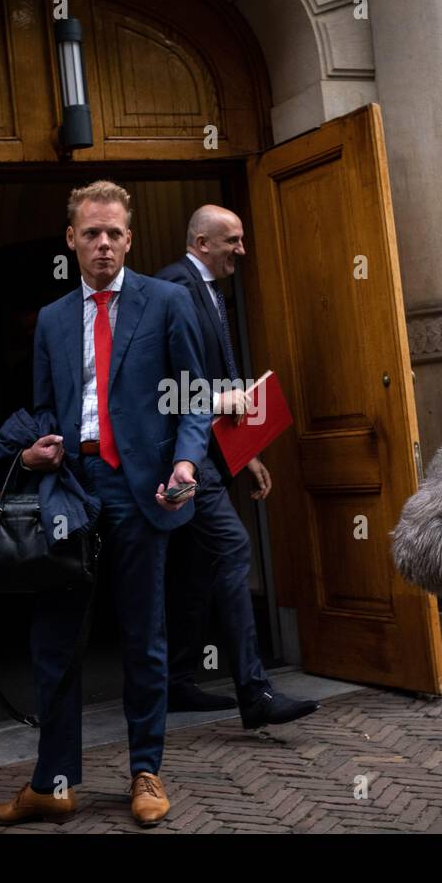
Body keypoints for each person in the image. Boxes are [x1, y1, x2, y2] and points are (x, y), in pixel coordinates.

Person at [0, 180, 210, 828]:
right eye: (90, 233)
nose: (102, 244)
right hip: (71, 488)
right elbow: (47, 405)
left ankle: (146, 772)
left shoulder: (165, 303)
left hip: (144, 491)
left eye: (113, 233)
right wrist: (26, 455)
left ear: (129, 239)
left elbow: (194, 394)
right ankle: (52, 783)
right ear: (71, 241)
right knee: (54, 639)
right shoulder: (52, 318)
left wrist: (186, 461)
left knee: (144, 637)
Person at [154, 206, 319, 728]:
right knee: (232, 547)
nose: (242, 252)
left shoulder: (208, 291)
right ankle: (254, 691)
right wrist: (217, 420)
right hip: (181, 465)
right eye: (233, 241)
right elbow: (163, 387)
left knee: (195, 568)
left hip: (210, 456)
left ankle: (177, 683)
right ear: (201, 242)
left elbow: (210, 385)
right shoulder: (172, 290)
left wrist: (245, 453)